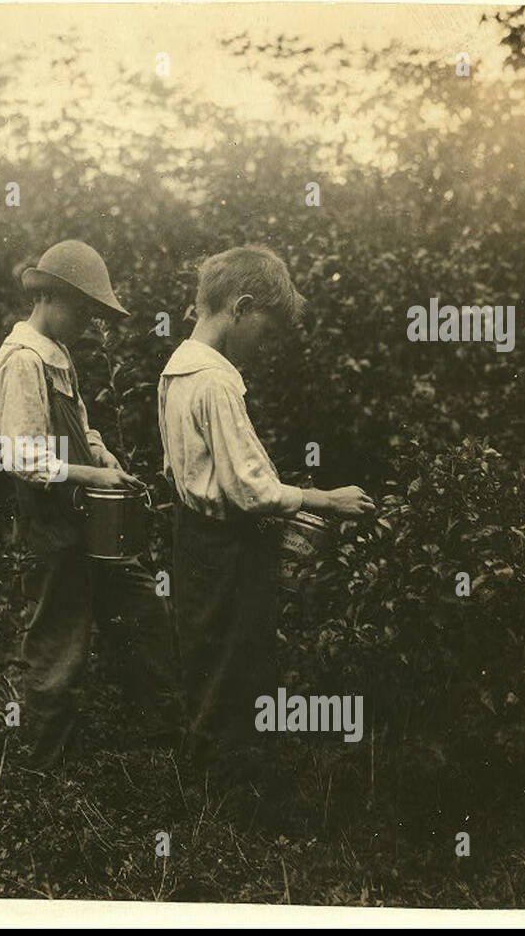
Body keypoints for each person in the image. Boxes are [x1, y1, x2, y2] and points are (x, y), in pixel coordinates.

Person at [157, 245, 375, 768]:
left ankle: (204, 783)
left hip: (192, 536)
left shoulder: (176, 370)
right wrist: (324, 500)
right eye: (266, 328)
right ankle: (232, 799)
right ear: (241, 306)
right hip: (229, 545)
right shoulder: (215, 380)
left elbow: (180, 468)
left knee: (206, 657)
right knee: (239, 664)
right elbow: (250, 489)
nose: (265, 344)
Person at [0, 239, 177, 770]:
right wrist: (91, 473)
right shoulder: (22, 361)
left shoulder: (58, 356)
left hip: (87, 521)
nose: (89, 324)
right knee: (57, 648)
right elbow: (23, 457)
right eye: (83, 310)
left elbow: (82, 427)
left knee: (145, 613)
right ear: (48, 296)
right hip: (51, 528)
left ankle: (161, 742)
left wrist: (104, 456)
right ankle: (40, 776)